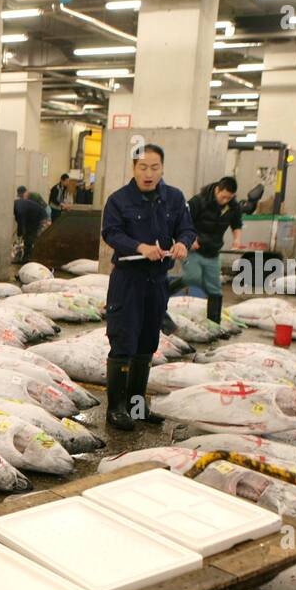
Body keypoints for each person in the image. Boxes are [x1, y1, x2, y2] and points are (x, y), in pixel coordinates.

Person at [100, 143, 196, 431]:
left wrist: (182, 244)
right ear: (133, 168)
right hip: (128, 280)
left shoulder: (175, 198)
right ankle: (116, 409)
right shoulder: (119, 200)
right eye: (143, 167)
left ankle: (137, 407)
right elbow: (111, 232)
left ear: (162, 168)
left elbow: (187, 229)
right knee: (123, 341)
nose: (149, 173)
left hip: (157, 281)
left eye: (154, 167)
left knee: (147, 344)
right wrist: (139, 246)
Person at [184, 176, 243, 324]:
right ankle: (167, 291)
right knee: (193, 278)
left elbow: (237, 224)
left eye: (229, 198)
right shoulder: (198, 201)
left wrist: (237, 239)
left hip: (213, 251)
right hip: (195, 250)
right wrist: (190, 238)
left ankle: (214, 324)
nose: (225, 201)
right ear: (217, 189)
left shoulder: (232, 206)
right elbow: (183, 221)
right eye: (223, 197)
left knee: (215, 289)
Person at [13, 188, 47, 263]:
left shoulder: (18, 208)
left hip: (40, 216)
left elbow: (21, 222)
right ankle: (26, 257)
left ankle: (28, 258)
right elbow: (19, 220)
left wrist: (20, 233)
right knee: (28, 237)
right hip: (33, 217)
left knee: (30, 238)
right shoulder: (16, 205)